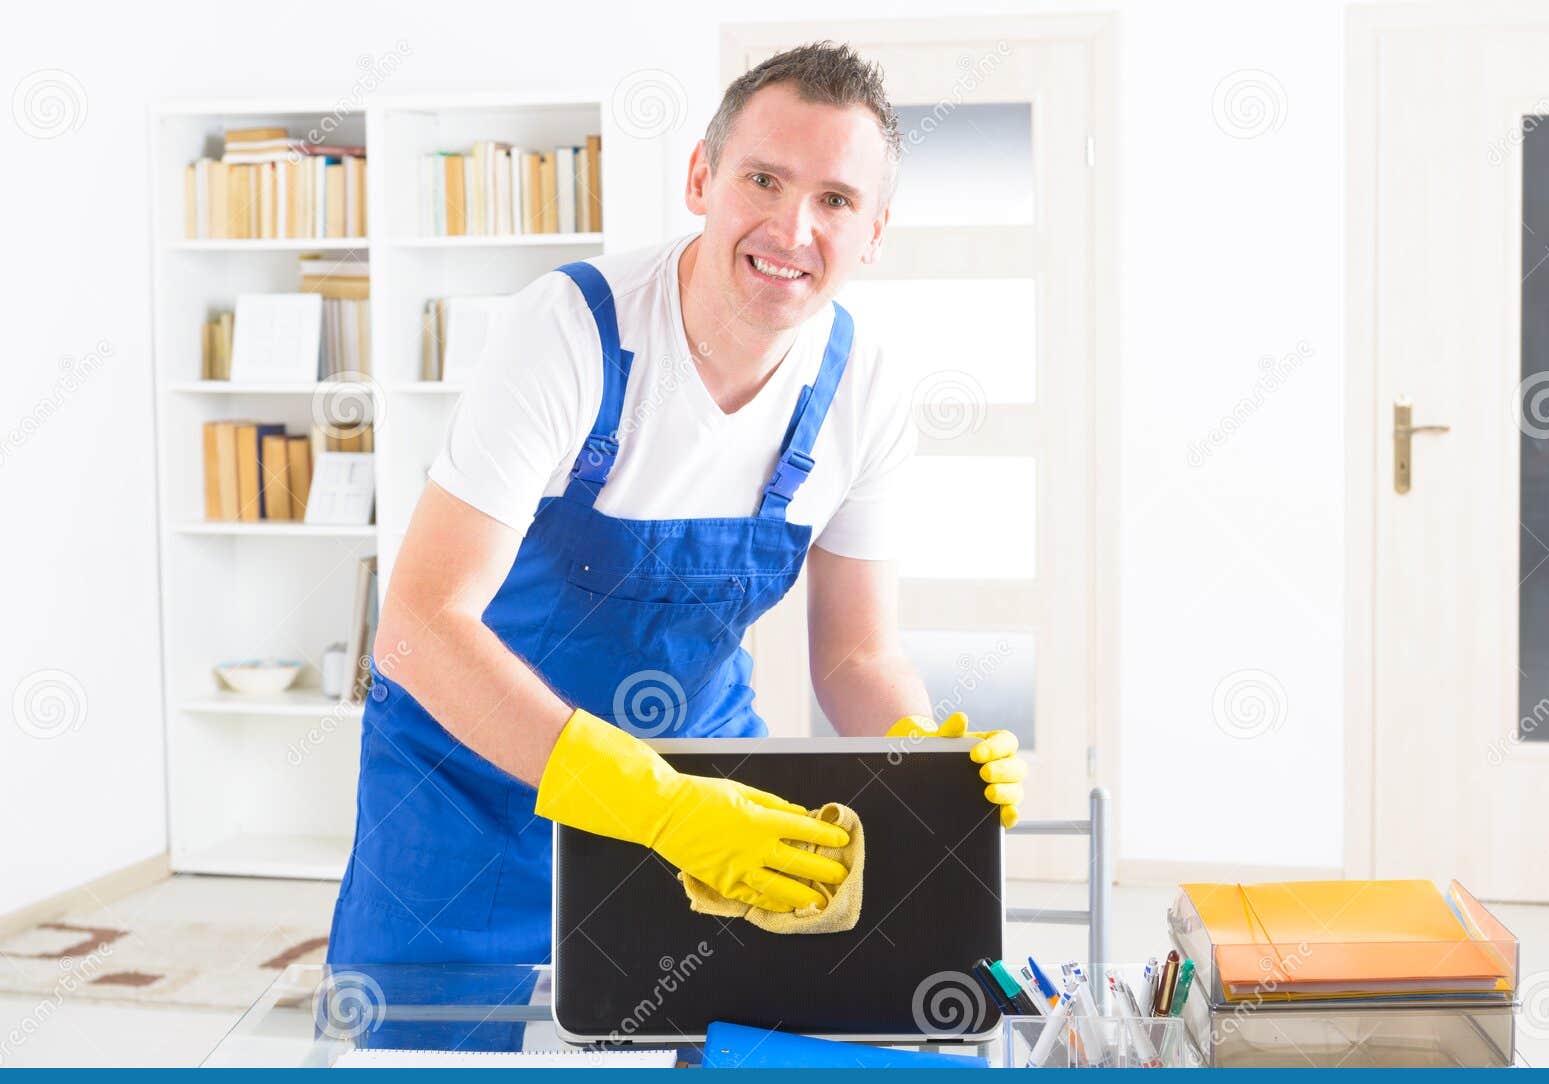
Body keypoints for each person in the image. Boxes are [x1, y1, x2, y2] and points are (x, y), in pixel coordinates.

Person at [325, 41, 1027, 981]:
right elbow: (417, 626)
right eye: (765, 180)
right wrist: (647, 803)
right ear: (702, 176)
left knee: (718, 1057)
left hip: (704, 793)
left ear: (876, 228)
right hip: (468, 789)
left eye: (835, 200)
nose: (793, 229)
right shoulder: (571, 331)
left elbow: (856, 653)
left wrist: (924, 758)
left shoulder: (863, 384)